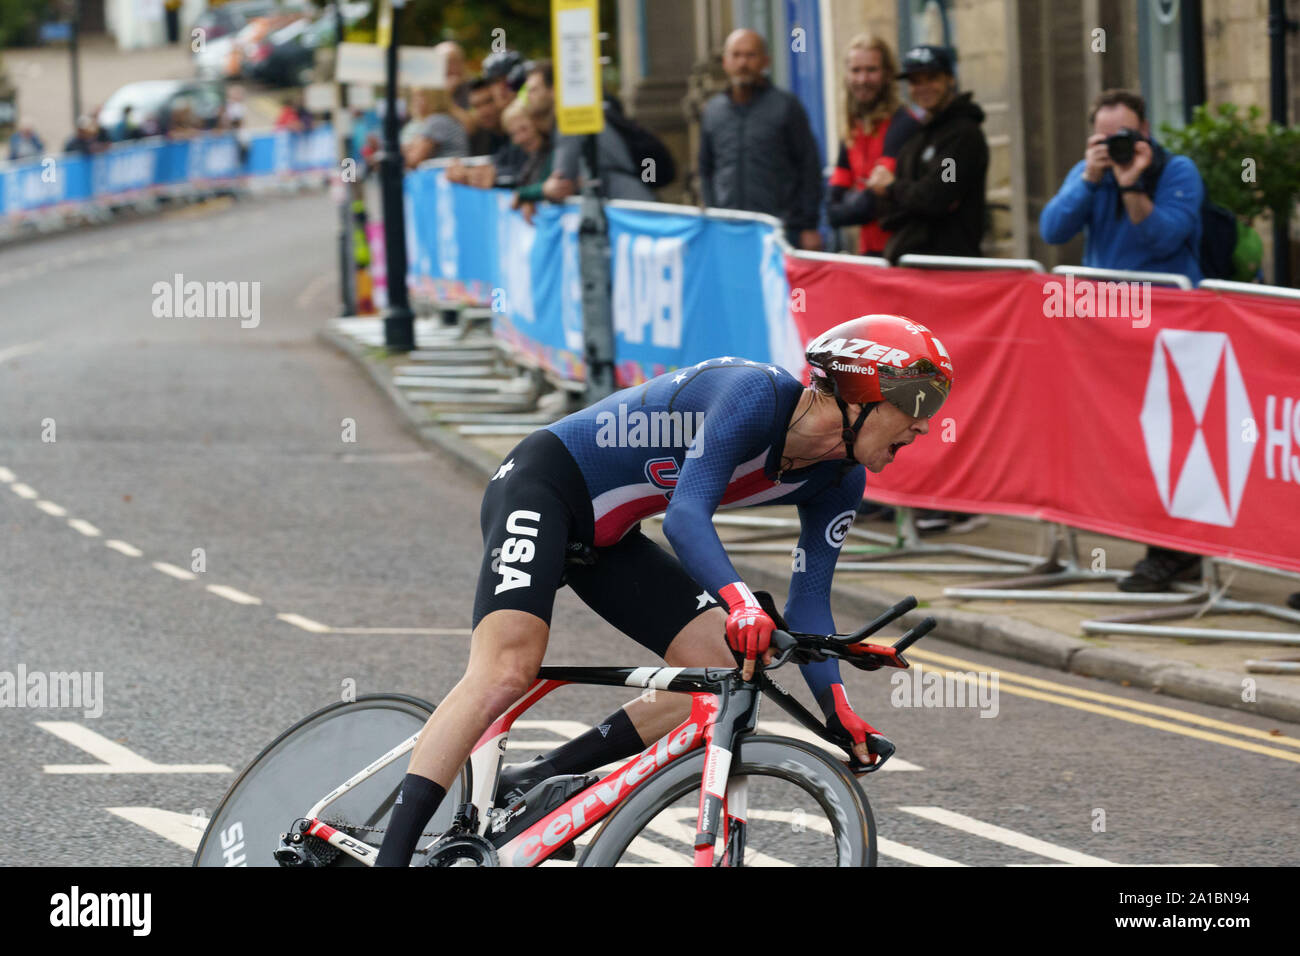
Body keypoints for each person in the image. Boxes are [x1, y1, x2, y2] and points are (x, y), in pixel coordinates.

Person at [373, 313, 955, 866]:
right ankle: (392, 857)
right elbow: (685, 519)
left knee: (715, 671)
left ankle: (539, 776)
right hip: (543, 485)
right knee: (506, 668)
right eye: (918, 405)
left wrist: (839, 709)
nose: (925, 424)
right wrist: (743, 603)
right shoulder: (756, 396)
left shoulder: (840, 480)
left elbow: (809, 599)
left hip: (612, 535)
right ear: (860, 393)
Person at [1039, 89, 1205, 593]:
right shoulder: (1090, 172)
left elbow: (1165, 238)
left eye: (1126, 136)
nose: (1116, 146)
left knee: (1169, 441)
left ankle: (1175, 552)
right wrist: (1090, 179)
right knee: (1123, 440)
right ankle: (1145, 539)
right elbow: (1052, 228)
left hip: (1169, 332)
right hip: (1110, 331)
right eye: (1106, 138)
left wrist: (1133, 187)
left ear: (1147, 131)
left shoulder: (1177, 172)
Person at [698, 28, 824, 250]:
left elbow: (809, 166)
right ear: (725, 62)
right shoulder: (713, 111)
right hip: (729, 230)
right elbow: (706, 168)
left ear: (766, 61)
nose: (743, 63)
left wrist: (808, 225)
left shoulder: (786, 106)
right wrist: (713, 213)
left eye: (750, 55)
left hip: (779, 232)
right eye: (736, 55)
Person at [868, 44, 988, 263]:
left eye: (931, 78)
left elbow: (937, 196)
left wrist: (893, 188)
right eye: (915, 81)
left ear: (950, 79)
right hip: (911, 266)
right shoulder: (917, 138)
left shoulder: (962, 136)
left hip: (949, 269)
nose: (923, 87)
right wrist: (907, 195)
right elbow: (885, 214)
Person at [827, 34, 920, 257]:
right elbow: (832, 211)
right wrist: (857, 201)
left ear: (888, 74)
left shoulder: (902, 124)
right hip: (867, 253)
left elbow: (875, 202)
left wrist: (854, 201)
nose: (862, 79)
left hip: (901, 250)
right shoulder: (852, 129)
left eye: (871, 70)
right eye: (856, 70)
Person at [400, 87, 469, 169]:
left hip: (446, 176)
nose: (415, 101)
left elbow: (413, 159)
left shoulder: (437, 121)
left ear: (434, 98)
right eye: (414, 97)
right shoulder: (442, 119)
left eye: (421, 96)